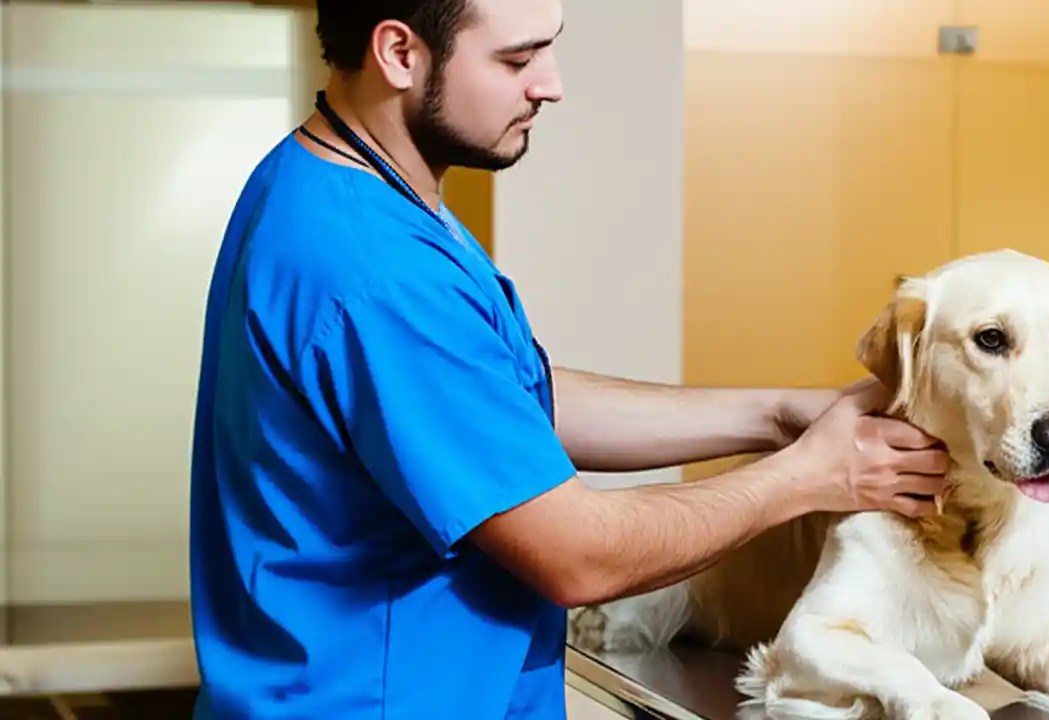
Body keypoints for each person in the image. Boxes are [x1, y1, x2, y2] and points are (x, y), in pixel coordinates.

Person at [186, 1, 950, 718]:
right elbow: (577, 556)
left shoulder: (337, 185)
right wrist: (810, 477)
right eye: (518, 60)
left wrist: (779, 415)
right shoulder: (377, 270)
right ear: (399, 52)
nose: (551, 85)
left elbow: (505, 405)